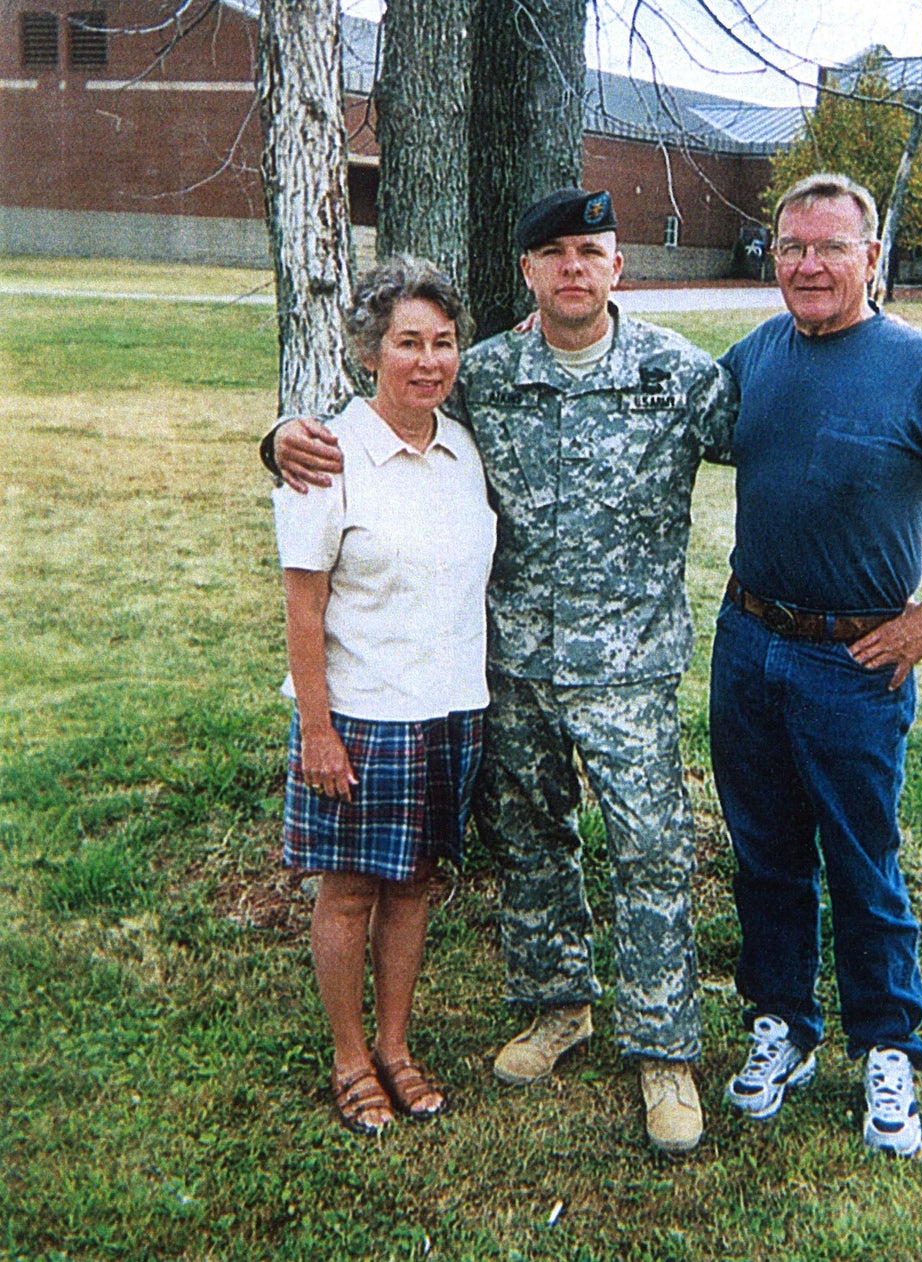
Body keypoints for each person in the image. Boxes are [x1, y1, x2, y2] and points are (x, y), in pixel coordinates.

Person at [263, 189, 737, 1154]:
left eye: (592, 251)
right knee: (531, 843)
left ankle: (664, 1054)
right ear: (527, 273)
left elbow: (781, 445)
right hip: (508, 672)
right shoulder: (483, 375)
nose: (573, 268)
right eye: (553, 253)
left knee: (649, 853)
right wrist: (274, 439)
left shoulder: (681, 376)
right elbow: (373, 416)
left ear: (620, 266)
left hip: (629, 669)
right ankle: (557, 1006)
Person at [711, 173, 922, 1155]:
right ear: (771, 257)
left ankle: (886, 1041)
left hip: (854, 662)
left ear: (871, 257)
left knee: (862, 856)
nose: (808, 265)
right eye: (790, 247)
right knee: (765, 848)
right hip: (749, 642)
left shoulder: (920, 368)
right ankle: (783, 1019)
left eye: (829, 247)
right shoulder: (755, 356)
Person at [272, 257, 495, 1136]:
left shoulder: (461, 447)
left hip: (449, 711)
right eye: (408, 342)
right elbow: (303, 604)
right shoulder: (327, 457)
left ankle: (397, 1047)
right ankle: (349, 1058)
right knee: (352, 894)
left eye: (443, 343)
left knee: (416, 888)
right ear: (370, 351)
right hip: (361, 718)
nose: (429, 361)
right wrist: (317, 730)